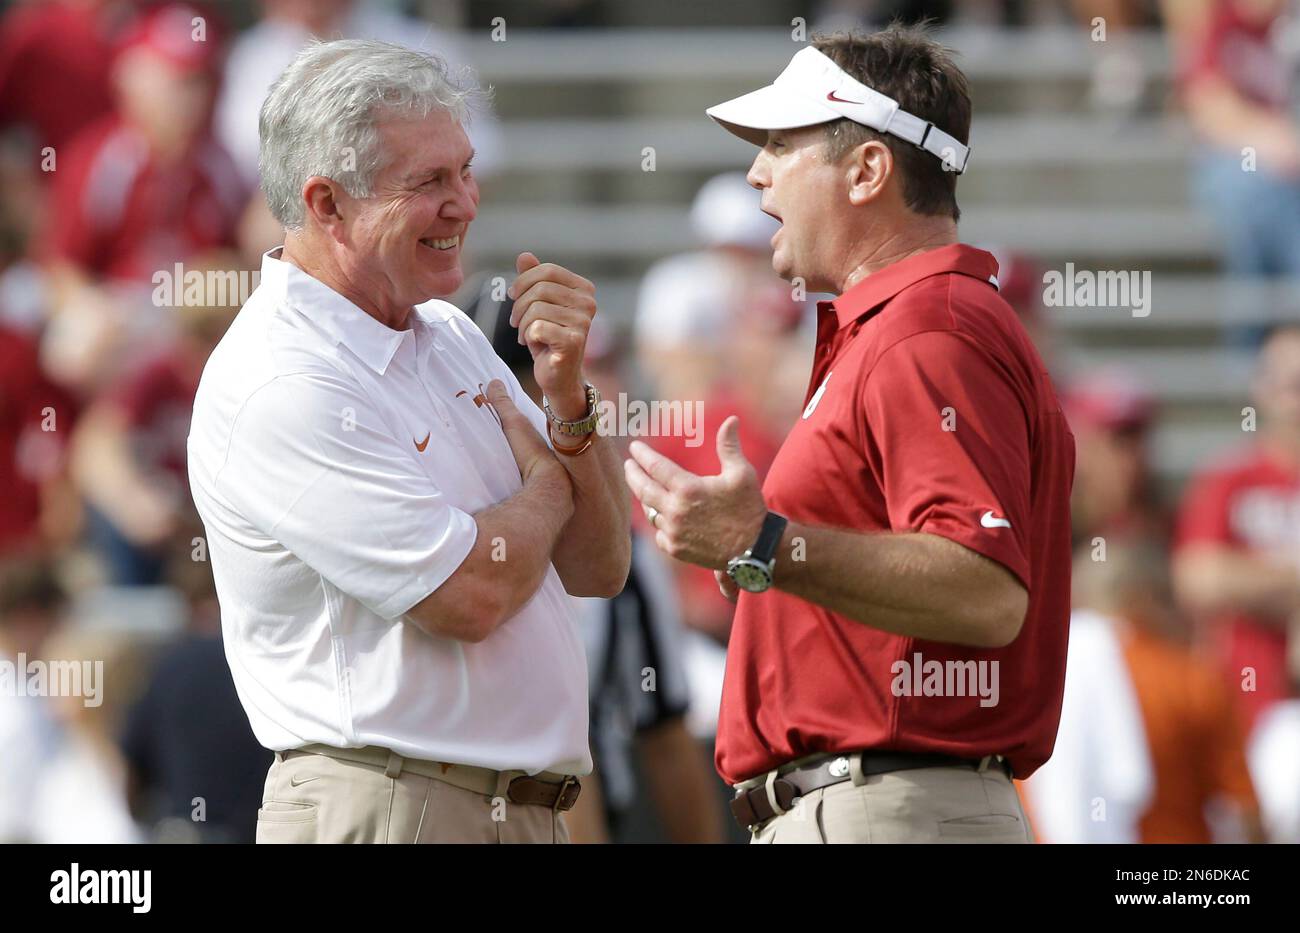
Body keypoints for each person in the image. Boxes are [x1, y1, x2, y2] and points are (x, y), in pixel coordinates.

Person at [623, 24, 1075, 843]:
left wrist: (761, 540)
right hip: (882, 805)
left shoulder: (925, 331)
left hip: (888, 809)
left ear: (868, 171)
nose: (757, 171)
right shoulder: (911, 327)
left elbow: (985, 588)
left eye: (781, 146)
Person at [187, 39, 630, 844]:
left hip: (497, 808)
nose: (465, 202)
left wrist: (567, 405)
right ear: (326, 204)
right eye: (428, 181)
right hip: (394, 806)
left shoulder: (447, 331)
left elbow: (599, 566)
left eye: (464, 170)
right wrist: (545, 488)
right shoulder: (282, 377)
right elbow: (470, 594)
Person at [1026, 543, 1263, 844]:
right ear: (1142, 599)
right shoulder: (1192, 679)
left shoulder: (1030, 678)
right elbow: (1244, 813)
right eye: (1172, 599)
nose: (1184, 615)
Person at [1174, 324, 1300, 734]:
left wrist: (1249, 578)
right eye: (1291, 385)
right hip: (1241, 714)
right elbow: (1199, 578)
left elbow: (1220, 574)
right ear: (1262, 389)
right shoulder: (1228, 479)